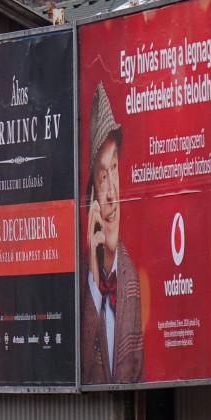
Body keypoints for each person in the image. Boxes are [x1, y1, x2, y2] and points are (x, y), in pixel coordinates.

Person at [81, 83, 143, 384]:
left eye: (115, 168)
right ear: (92, 195)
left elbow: (138, 372)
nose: (112, 194)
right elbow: (80, 369)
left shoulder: (130, 276)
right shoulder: (79, 280)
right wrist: (94, 278)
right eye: (103, 177)